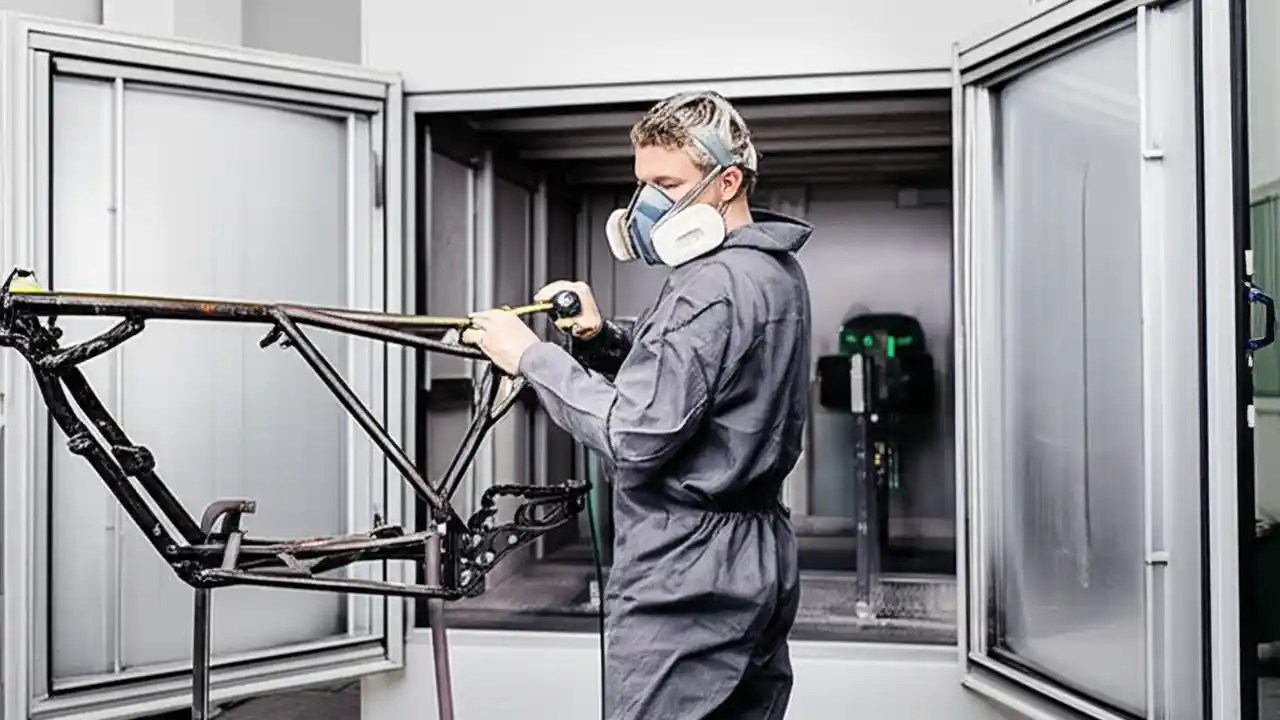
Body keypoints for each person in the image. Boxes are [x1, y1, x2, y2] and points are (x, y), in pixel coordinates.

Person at [462, 90, 812, 720]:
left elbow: (639, 432)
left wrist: (530, 358)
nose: (646, 205)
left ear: (727, 181)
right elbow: (696, 386)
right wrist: (600, 339)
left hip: (688, 568)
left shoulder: (710, 285)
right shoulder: (773, 273)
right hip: (759, 553)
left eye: (666, 183)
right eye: (641, 183)